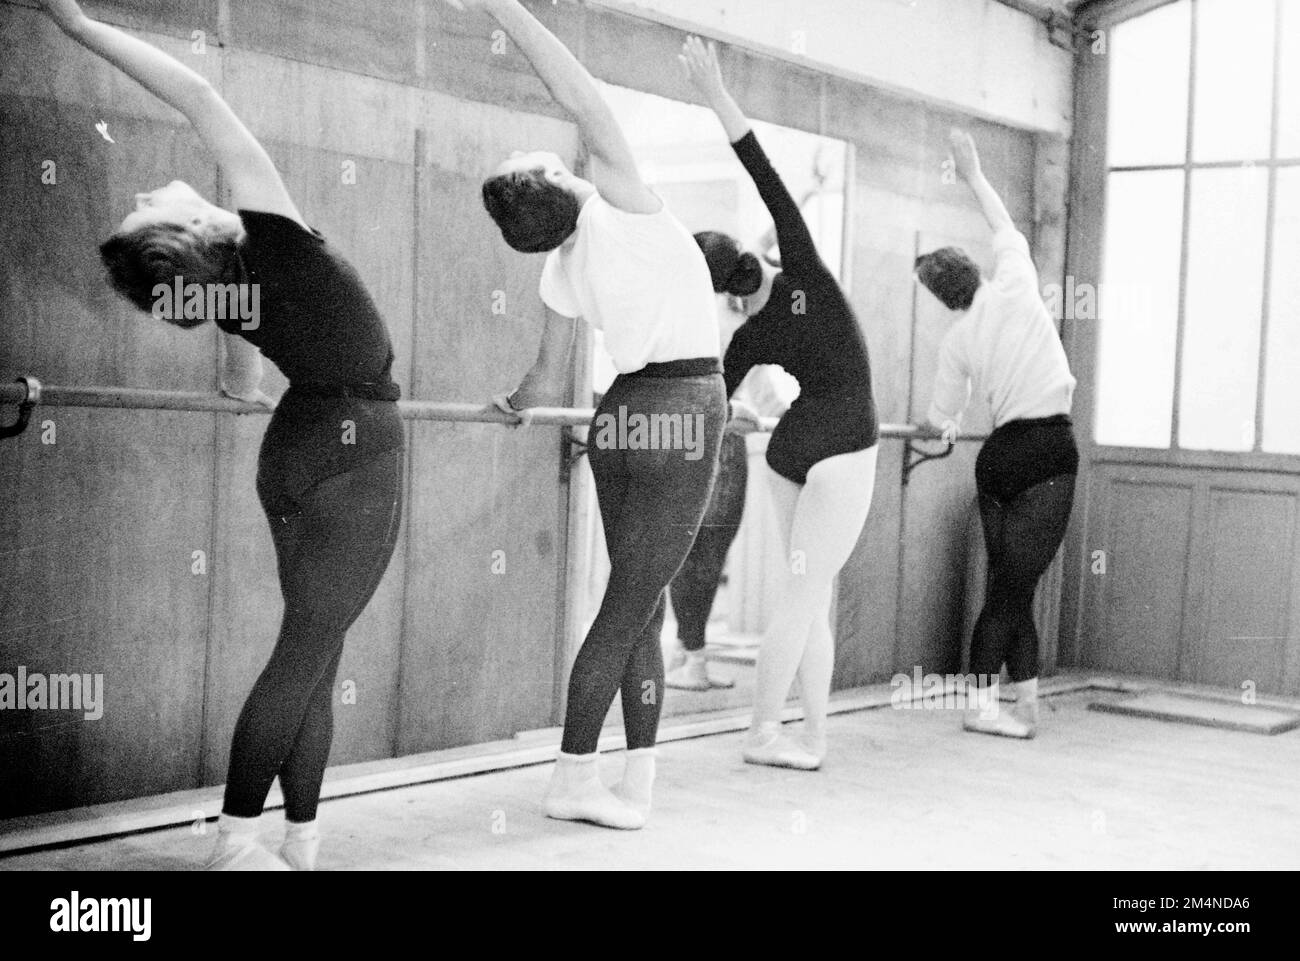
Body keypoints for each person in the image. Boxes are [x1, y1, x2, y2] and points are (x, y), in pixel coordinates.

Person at [41, 0, 407, 869]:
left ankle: (301, 839)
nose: (144, 188)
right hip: (357, 442)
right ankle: (237, 841)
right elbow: (198, 92)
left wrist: (247, 369)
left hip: (295, 447)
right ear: (188, 229)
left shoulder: (233, 285)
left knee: (320, 649)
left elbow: (245, 372)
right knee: (306, 651)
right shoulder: (270, 236)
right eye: (144, 206)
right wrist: (78, 22)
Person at [454, 0, 726, 828]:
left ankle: (635, 781)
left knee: (637, 600)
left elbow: (541, 378)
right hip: (681, 408)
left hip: (621, 416)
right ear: (562, 180)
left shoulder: (565, 262)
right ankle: (573, 773)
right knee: (629, 604)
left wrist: (515, 404)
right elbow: (576, 90)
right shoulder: (621, 201)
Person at [680, 37, 880, 770]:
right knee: (802, 599)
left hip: (791, 450)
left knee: (810, 594)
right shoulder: (801, 267)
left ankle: (812, 738)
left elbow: (715, 404)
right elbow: (760, 168)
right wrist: (716, 94)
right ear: (756, 254)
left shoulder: (746, 335)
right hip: (845, 442)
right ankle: (765, 733)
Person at [914, 129, 1078, 739]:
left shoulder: (955, 342)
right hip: (1045, 455)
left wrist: (939, 430)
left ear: (941, 297)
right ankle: (981, 706)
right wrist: (974, 172)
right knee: (1010, 591)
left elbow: (939, 420)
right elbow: (1002, 221)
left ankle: (1026, 700)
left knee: (1014, 584)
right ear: (974, 269)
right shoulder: (1014, 282)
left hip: (999, 459)